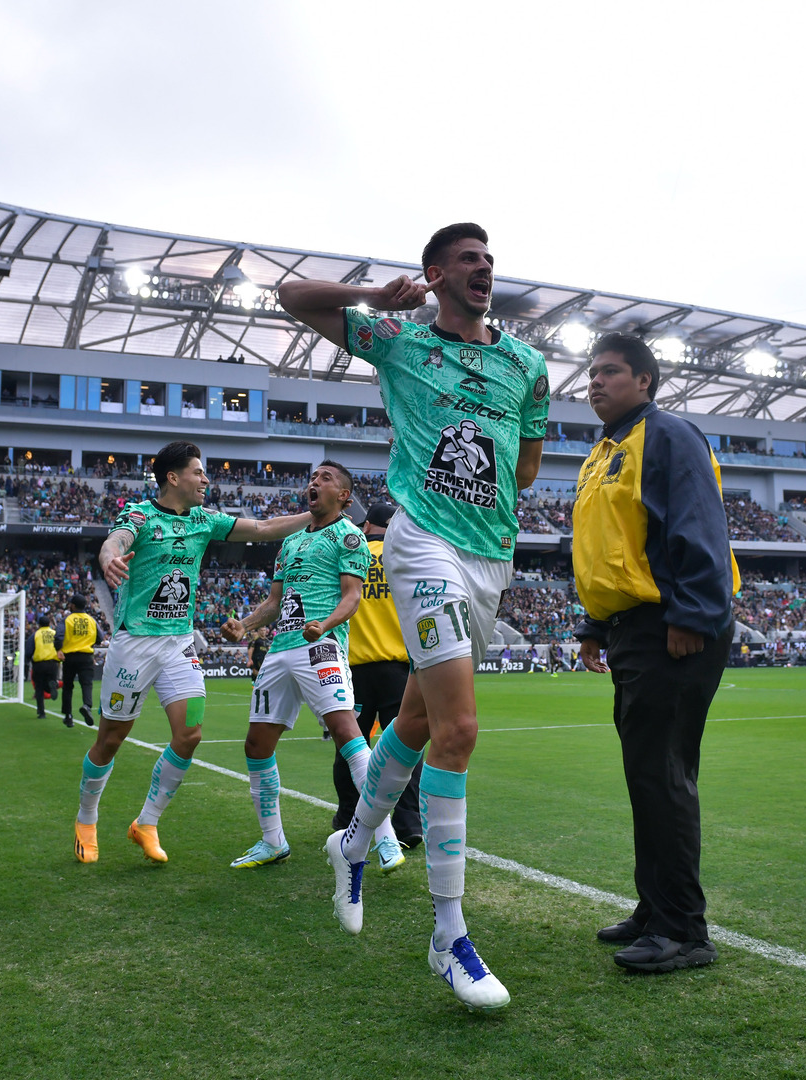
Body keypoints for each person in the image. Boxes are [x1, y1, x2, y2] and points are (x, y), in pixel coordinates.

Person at [278, 222, 547, 1010]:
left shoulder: (526, 364)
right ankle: (449, 936)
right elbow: (291, 296)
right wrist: (371, 294)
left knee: (422, 720)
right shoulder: (397, 337)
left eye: (489, 260)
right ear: (434, 275)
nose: (484, 268)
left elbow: (526, 466)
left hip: (489, 557)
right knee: (460, 729)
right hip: (422, 541)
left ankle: (355, 842)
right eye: (468, 259)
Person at [571, 333, 738, 974]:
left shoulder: (668, 435)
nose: (595, 382)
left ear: (645, 381)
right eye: (591, 373)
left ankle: (683, 930)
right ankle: (655, 906)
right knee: (646, 775)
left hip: (673, 623)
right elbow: (608, 545)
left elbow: (697, 522)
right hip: (633, 627)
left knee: (663, 774)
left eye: (610, 372)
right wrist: (594, 624)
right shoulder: (603, 453)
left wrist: (691, 614)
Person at [75, 440, 310, 866]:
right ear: (173, 477)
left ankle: (146, 822)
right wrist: (109, 558)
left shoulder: (205, 520)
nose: (206, 479)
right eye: (199, 472)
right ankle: (86, 819)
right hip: (135, 643)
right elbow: (116, 540)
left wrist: (318, 515)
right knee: (111, 739)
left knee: (190, 734)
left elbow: (262, 529)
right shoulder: (140, 515)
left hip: (180, 642)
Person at [218, 462, 402, 872]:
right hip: (281, 650)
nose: (314, 482)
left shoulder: (350, 536)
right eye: (313, 477)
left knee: (347, 734)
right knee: (256, 745)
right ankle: (272, 841)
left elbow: (352, 597)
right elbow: (273, 603)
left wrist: (327, 624)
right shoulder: (291, 542)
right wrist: (244, 627)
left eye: (326, 478)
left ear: (345, 497)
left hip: (321, 647)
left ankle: (386, 838)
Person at [334, 501, 424, 851]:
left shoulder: (350, 555)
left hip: (353, 668)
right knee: (405, 749)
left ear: (367, 524)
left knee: (351, 746)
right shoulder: (405, 553)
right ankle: (408, 824)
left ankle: (346, 819)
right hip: (399, 669)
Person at [58, 595, 101, 728]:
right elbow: (99, 637)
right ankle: (87, 706)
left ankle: (68, 716)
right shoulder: (91, 620)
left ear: (73, 605)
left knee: (68, 687)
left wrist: (59, 649)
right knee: (87, 684)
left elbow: (59, 635)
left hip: (69, 656)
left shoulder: (67, 619)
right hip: (86, 656)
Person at [28, 614, 60, 719]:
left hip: (39, 664)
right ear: (49, 624)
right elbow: (61, 645)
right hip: (53, 663)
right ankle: (52, 687)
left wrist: (27, 660)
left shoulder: (35, 635)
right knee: (49, 683)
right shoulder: (55, 633)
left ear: (39, 624)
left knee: (39, 688)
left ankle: (42, 713)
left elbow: (29, 650)